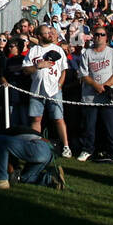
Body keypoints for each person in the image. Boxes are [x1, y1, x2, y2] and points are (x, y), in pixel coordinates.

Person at [23, 24, 71, 158]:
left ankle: (66, 146)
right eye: (46, 33)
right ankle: (35, 145)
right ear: (39, 36)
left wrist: (60, 84)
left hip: (54, 89)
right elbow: (26, 70)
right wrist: (38, 66)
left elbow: (63, 70)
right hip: (37, 89)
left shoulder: (58, 50)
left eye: (50, 32)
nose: (50, 34)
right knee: (36, 118)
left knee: (58, 118)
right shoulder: (33, 51)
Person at [76, 25, 113, 163]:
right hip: (90, 95)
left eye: (102, 34)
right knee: (89, 126)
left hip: (107, 95)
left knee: (111, 127)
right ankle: (87, 150)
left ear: (106, 37)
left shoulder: (112, 53)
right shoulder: (87, 53)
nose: (98, 37)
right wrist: (95, 85)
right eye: (96, 34)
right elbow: (83, 75)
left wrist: (105, 86)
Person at [0, 126, 67, 190]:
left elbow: (11, 164)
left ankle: (1, 180)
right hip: (48, 153)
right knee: (25, 178)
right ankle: (52, 179)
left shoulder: (4, 135)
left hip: (40, 148)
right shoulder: (12, 133)